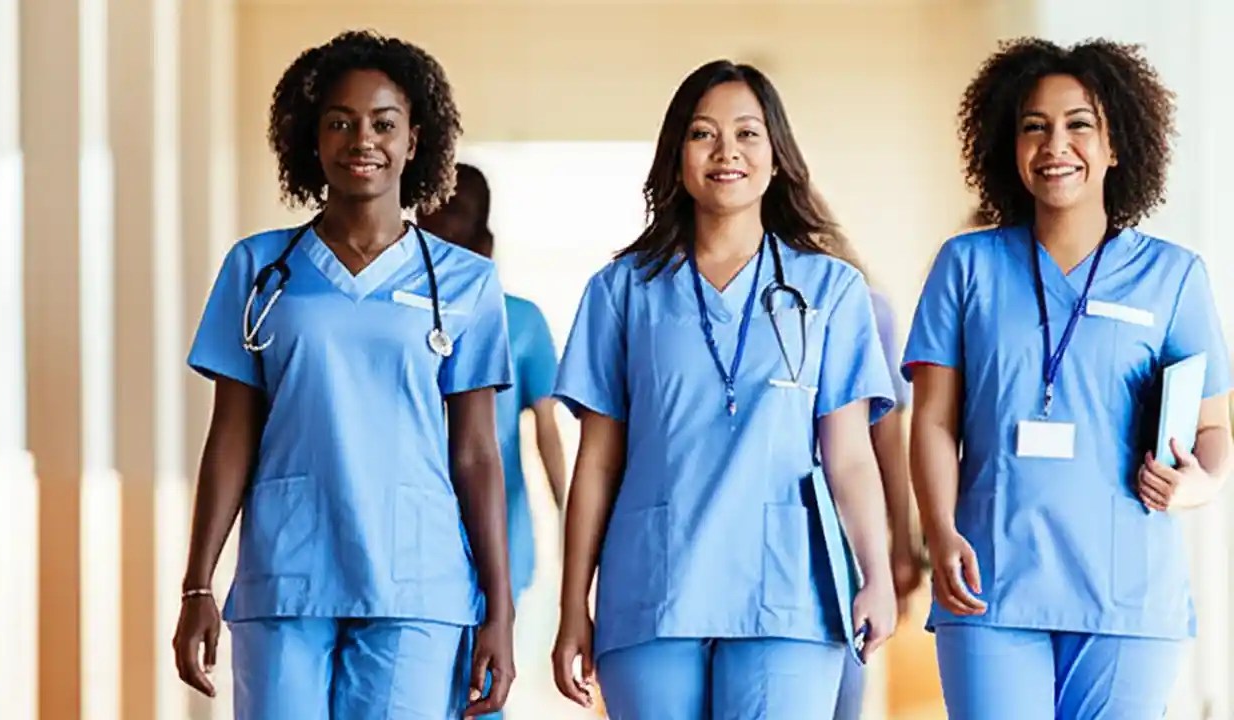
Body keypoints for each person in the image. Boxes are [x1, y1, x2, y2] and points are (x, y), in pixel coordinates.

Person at [172, 30, 516, 719]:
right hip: (285, 577)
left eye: (384, 123)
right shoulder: (259, 269)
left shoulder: (466, 283)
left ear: (414, 140)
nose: (363, 139)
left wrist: (499, 610)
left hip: (418, 586)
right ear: (312, 139)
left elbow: (477, 453)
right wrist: (197, 586)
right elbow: (230, 437)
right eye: (340, 122)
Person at [550, 59, 898, 719]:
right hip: (653, 590)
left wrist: (876, 575)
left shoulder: (830, 291)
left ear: (777, 157)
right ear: (676, 156)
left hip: (790, 591)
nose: (725, 152)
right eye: (703, 135)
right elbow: (596, 461)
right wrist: (574, 606)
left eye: (747, 134)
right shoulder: (621, 291)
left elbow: (850, 455)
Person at [903, 38, 1232, 719]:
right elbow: (932, 419)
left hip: (1127, 594)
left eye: (1080, 123)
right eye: (1034, 126)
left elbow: (1212, 425)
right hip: (988, 583)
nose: (1056, 144)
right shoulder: (966, 266)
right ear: (1009, 146)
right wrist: (938, 530)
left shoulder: (1173, 277)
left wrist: (1200, 482)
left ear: (1117, 146)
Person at [419, 162, 568, 719]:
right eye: (436, 218)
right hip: (415, 528)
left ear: (486, 240)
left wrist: (572, 520)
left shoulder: (520, 321)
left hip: (499, 533)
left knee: (481, 679)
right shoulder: (402, 311)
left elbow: (546, 431)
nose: (446, 232)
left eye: (458, 218)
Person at [806, 191, 921, 720]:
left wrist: (903, 544)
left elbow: (886, 442)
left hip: (846, 534)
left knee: (840, 687)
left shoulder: (867, 308)